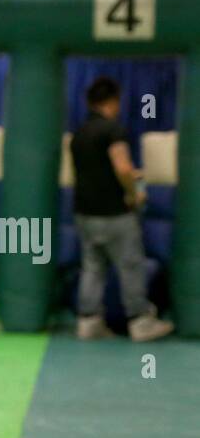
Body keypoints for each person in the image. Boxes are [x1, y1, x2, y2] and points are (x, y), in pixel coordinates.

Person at [70, 76, 173, 342]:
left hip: (84, 213)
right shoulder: (112, 130)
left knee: (92, 267)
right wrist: (133, 194)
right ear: (113, 101)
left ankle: (88, 321)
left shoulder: (79, 134)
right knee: (131, 266)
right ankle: (140, 321)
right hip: (114, 213)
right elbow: (123, 167)